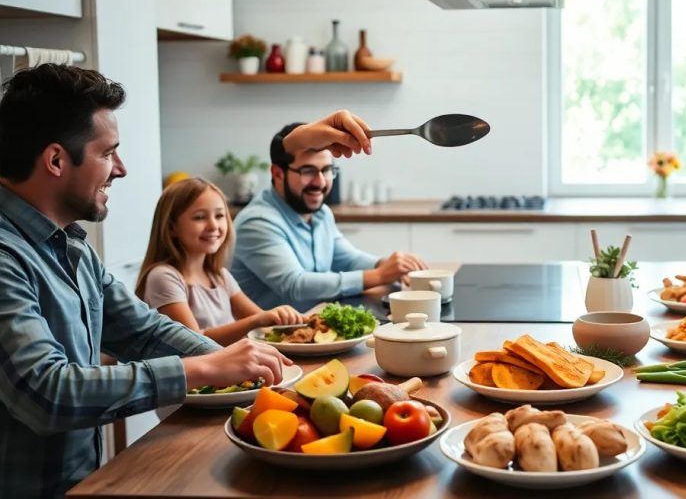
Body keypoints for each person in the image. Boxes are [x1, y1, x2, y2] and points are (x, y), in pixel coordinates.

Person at [0, 64, 370, 498]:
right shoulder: (7, 256)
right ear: (57, 160)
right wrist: (207, 368)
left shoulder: (72, 247)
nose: (120, 169)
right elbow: (47, 393)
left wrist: (255, 370)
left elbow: (144, 330)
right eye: (107, 153)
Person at [231, 122, 427, 312]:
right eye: (308, 171)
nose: (320, 182)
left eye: (326, 170)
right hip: (269, 340)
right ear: (278, 173)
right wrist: (379, 275)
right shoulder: (257, 222)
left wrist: (385, 264)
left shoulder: (320, 213)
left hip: (313, 327)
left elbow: (347, 259)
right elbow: (295, 285)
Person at [136, 178, 304, 345]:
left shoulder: (220, 276)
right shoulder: (163, 277)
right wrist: (258, 320)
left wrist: (297, 319)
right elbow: (194, 342)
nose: (213, 225)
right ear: (172, 227)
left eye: (219, 215)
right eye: (200, 217)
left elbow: (265, 324)